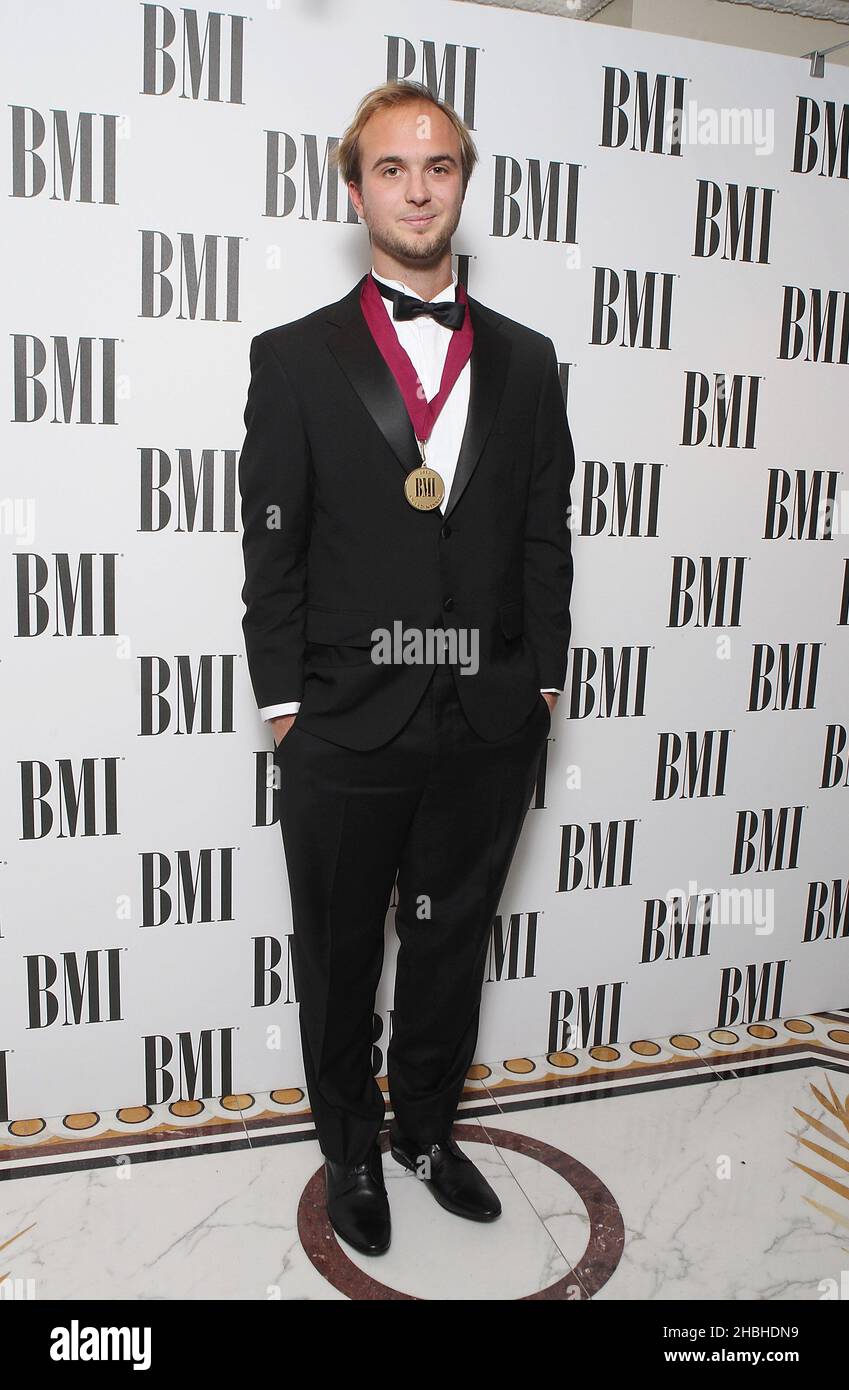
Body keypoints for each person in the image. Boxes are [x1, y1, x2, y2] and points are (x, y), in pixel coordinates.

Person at [238, 80, 575, 1256]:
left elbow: (544, 532)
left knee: (449, 937)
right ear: (356, 187)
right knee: (340, 956)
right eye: (391, 168)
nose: (417, 188)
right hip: (343, 721)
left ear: (463, 184)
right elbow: (271, 544)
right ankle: (350, 1144)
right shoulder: (294, 359)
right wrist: (287, 710)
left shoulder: (530, 363)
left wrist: (540, 685)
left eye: (437, 167)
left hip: (485, 718)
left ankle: (427, 1127)